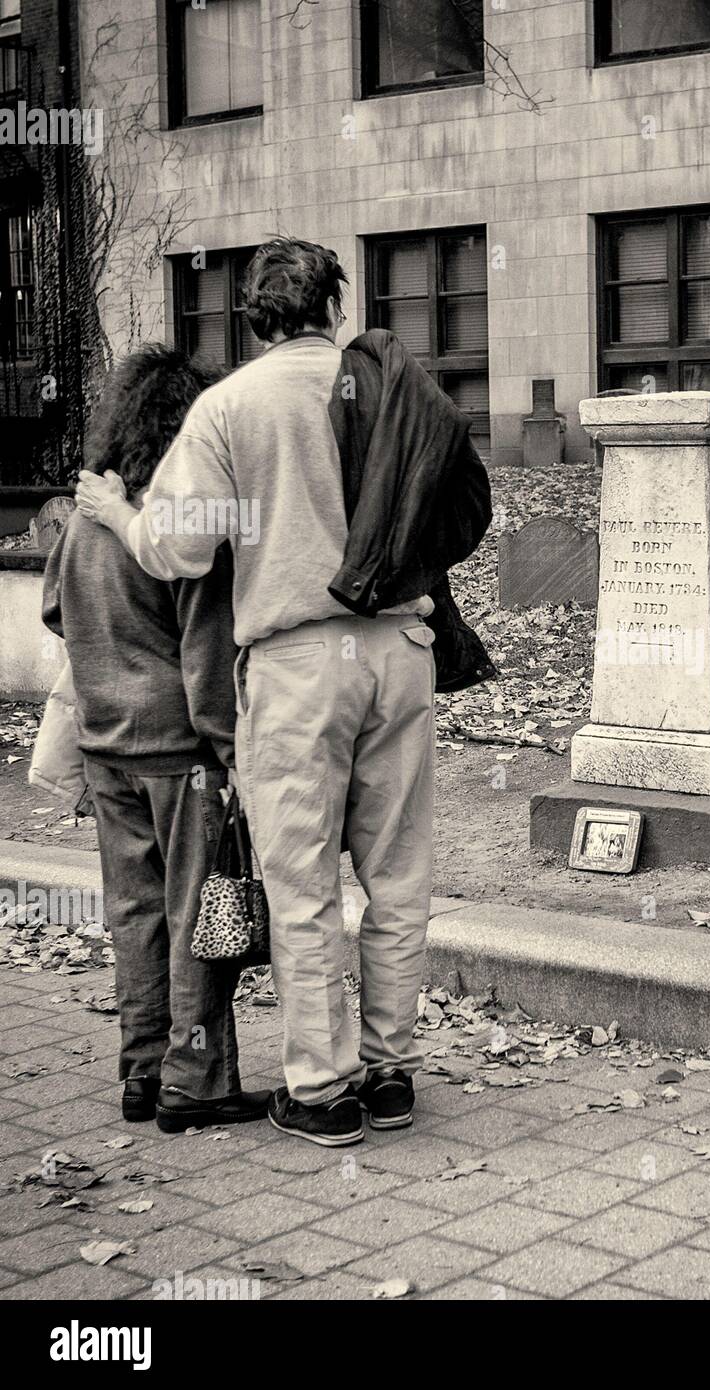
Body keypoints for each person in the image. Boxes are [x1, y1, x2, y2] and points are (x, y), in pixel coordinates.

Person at [75, 239, 488, 1147]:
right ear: (335, 308)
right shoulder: (385, 386)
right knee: (398, 873)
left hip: (300, 662)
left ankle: (320, 1087)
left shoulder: (230, 407)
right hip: (403, 649)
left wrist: (116, 514)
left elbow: (177, 552)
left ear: (253, 319)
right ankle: (390, 1073)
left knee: (299, 884)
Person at [44, 345, 268, 1132]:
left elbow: (56, 616)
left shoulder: (82, 521)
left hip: (105, 744)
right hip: (180, 751)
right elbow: (209, 659)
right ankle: (197, 1080)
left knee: (135, 912)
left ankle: (141, 1072)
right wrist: (234, 753)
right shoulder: (182, 528)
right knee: (197, 917)